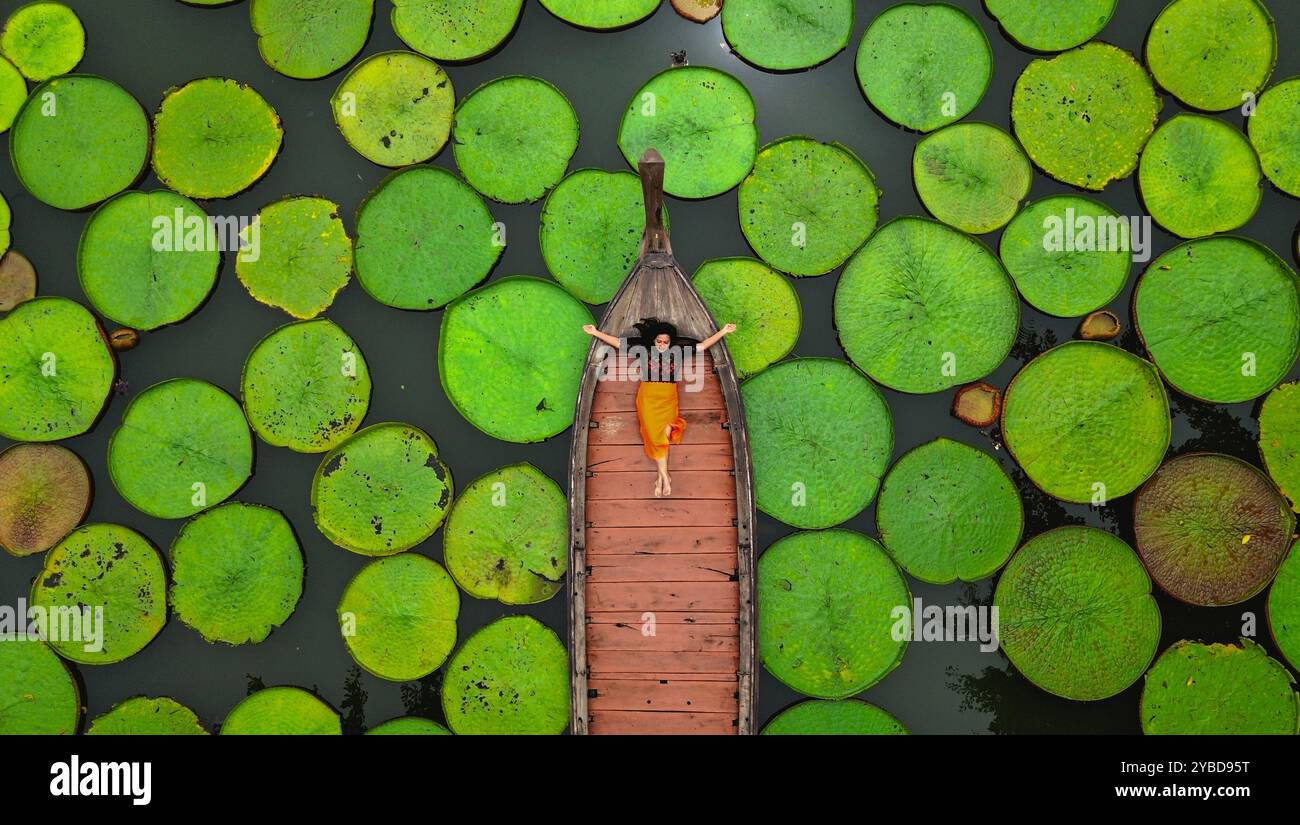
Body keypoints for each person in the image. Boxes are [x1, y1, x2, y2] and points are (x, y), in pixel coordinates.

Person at [583, 318, 737, 497]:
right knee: (655, 437)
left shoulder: (678, 352)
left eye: (666, 342)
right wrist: (595, 332)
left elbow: (702, 346)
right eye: (659, 341)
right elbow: (618, 343)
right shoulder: (644, 351)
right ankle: (664, 476)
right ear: (653, 340)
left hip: (668, 397)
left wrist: (724, 331)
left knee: (663, 435)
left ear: (670, 342)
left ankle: (661, 478)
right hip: (648, 397)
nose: (662, 345)